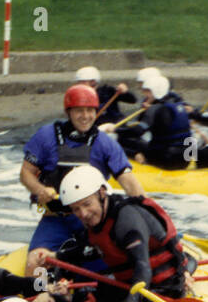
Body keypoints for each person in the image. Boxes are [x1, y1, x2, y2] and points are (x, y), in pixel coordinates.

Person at [44, 165, 187, 302]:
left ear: (102, 193)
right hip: (127, 285)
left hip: (162, 290)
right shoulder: (99, 219)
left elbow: (143, 266)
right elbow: (92, 251)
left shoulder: (126, 220)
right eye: (76, 209)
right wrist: (56, 257)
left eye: (87, 204)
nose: (83, 214)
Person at [19, 85, 144, 259]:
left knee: (110, 264)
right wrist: (39, 190)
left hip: (93, 222)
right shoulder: (46, 135)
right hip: (55, 219)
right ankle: (41, 286)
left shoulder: (105, 143)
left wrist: (143, 217)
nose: (85, 116)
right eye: (79, 111)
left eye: (89, 111)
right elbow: (26, 173)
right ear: (68, 112)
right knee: (35, 263)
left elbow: (130, 183)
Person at [119, 75, 192, 169]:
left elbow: (137, 132)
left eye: (148, 91)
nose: (145, 94)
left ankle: (137, 157)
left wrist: (116, 130)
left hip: (166, 159)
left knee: (122, 141)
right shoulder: (181, 105)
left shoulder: (154, 109)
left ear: (156, 91)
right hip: (187, 158)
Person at [74, 65, 136, 132]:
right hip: (96, 129)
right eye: (79, 83)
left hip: (116, 125)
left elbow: (132, 100)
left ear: (94, 82)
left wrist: (125, 92)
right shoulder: (78, 97)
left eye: (82, 82)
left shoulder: (108, 91)